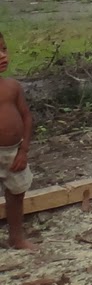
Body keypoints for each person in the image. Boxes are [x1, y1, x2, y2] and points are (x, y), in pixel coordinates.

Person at [0, 30, 37, 251]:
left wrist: (24, 150)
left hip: (13, 152)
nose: (2, 55)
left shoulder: (12, 87)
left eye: (3, 49)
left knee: (16, 193)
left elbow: (26, 116)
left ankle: (16, 237)